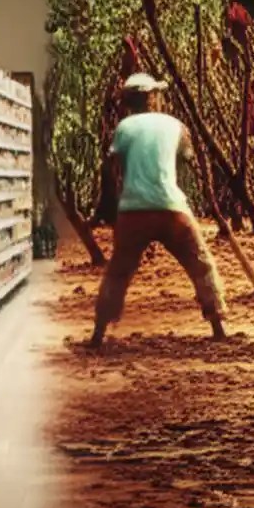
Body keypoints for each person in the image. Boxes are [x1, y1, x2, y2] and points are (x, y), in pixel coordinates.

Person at [90, 73, 227, 347]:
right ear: (153, 97)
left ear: (128, 102)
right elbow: (190, 160)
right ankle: (218, 325)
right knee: (200, 264)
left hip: (133, 209)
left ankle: (98, 333)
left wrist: (107, 206)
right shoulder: (175, 125)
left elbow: (110, 167)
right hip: (170, 207)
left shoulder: (124, 128)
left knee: (118, 271)